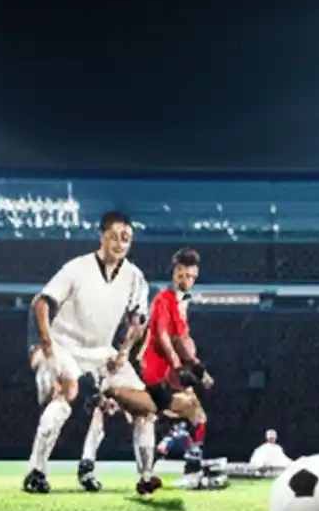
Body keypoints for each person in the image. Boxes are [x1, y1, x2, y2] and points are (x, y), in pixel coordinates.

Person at [23, 211, 157, 495]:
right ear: (102, 235)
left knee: (145, 406)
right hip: (65, 346)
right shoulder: (77, 268)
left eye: (126, 238)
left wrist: (124, 352)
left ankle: (145, 476)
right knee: (67, 394)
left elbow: (138, 321)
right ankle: (36, 471)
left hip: (102, 352)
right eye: (114, 236)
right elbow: (42, 304)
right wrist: (48, 347)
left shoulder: (135, 277)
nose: (120, 243)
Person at [138, 247, 220, 488]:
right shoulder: (164, 299)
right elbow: (163, 336)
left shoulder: (180, 305)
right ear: (174, 274)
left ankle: (156, 469)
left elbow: (184, 344)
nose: (186, 281)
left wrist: (199, 370)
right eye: (182, 275)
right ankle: (189, 463)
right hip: (156, 375)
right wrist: (176, 364)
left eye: (191, 277)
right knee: (192, 415)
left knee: (182, 416)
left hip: (164, 376)